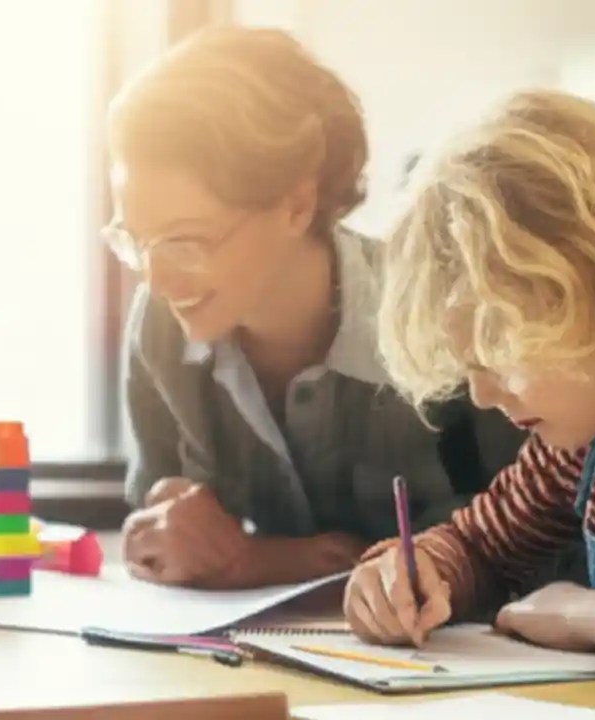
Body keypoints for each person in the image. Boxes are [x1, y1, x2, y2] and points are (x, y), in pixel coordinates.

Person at [107, 25, 522, 589]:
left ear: (297, 204)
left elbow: (537, 535)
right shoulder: (159, 331)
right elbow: (156, 520)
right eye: (137, 242)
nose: (155, 278)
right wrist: (162, 531)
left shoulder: (447, 314)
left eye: (186, 241)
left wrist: (265, 561)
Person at [346, 90, 595, 682]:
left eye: (498, 353)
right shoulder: (581, 447)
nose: (485, 397)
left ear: (593, 278)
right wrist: (413, 573)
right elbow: (480, 546)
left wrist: (580, 613)